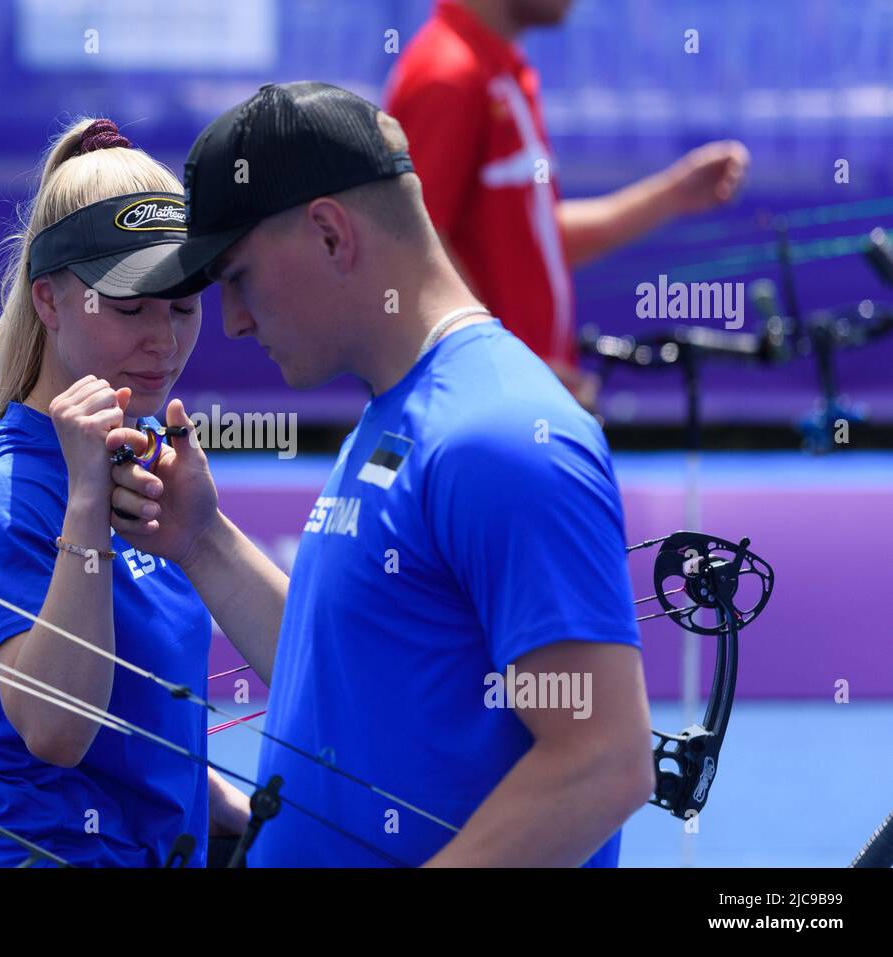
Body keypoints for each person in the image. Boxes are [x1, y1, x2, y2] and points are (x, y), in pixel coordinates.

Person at [110, 82, 654, 866]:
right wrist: (202, 541)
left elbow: (601, 761)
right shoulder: (404, 411)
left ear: (331, 235)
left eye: (237, 278)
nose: (233, 321)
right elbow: (349, 681)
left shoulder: (495, 434)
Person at [0, 118, 251, 868]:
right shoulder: (1, 494)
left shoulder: (150, 452)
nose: (163, 340)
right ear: (49, 301)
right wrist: (85, 504)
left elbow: (138, 716)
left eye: (184, 306)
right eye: (131, 308)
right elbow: (56, 728)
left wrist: (210, 798)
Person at [384, 0, 750, 406]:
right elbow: (413, 247)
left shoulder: (498, 70)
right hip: (486, 415)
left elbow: (531, 237)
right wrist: (509, 371)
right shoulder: (448, 74)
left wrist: (671, 196)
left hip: (509, 406)